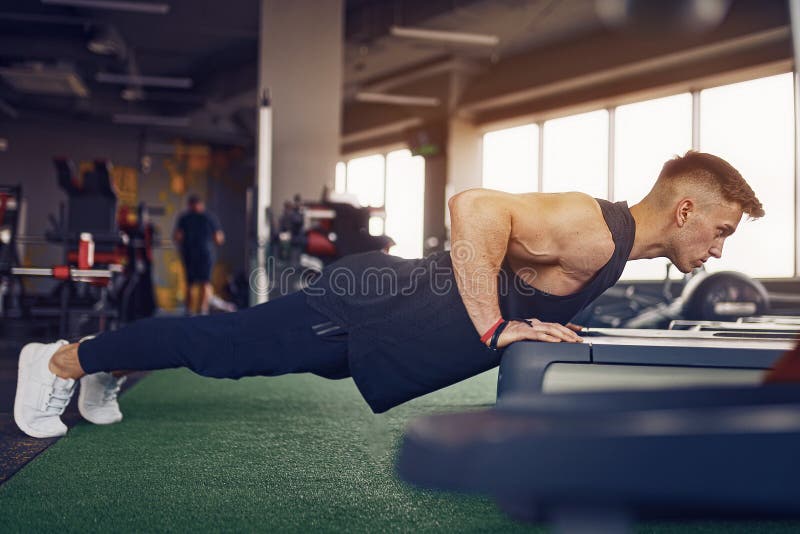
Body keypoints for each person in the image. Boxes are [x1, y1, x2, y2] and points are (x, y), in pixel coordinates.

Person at [14, 151, 764, 438]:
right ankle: (61, 363)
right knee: (217, 349)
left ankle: (97, 363)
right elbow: (475, 204)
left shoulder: (615, 248)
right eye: (723, 229)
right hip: (363, 312)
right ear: (687, 209)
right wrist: (494, 327)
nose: (720, 250)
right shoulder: (595, 230)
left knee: (227, 348)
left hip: (377, 338)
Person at [173, 194, 225, 315]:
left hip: (192, 254)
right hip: (204, 254)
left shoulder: (185, 218)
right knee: (204, 283)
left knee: (193, 283)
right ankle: (202, 311)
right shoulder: (208, 217)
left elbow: (177, 237)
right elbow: (219, 239)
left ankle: (191, 311)